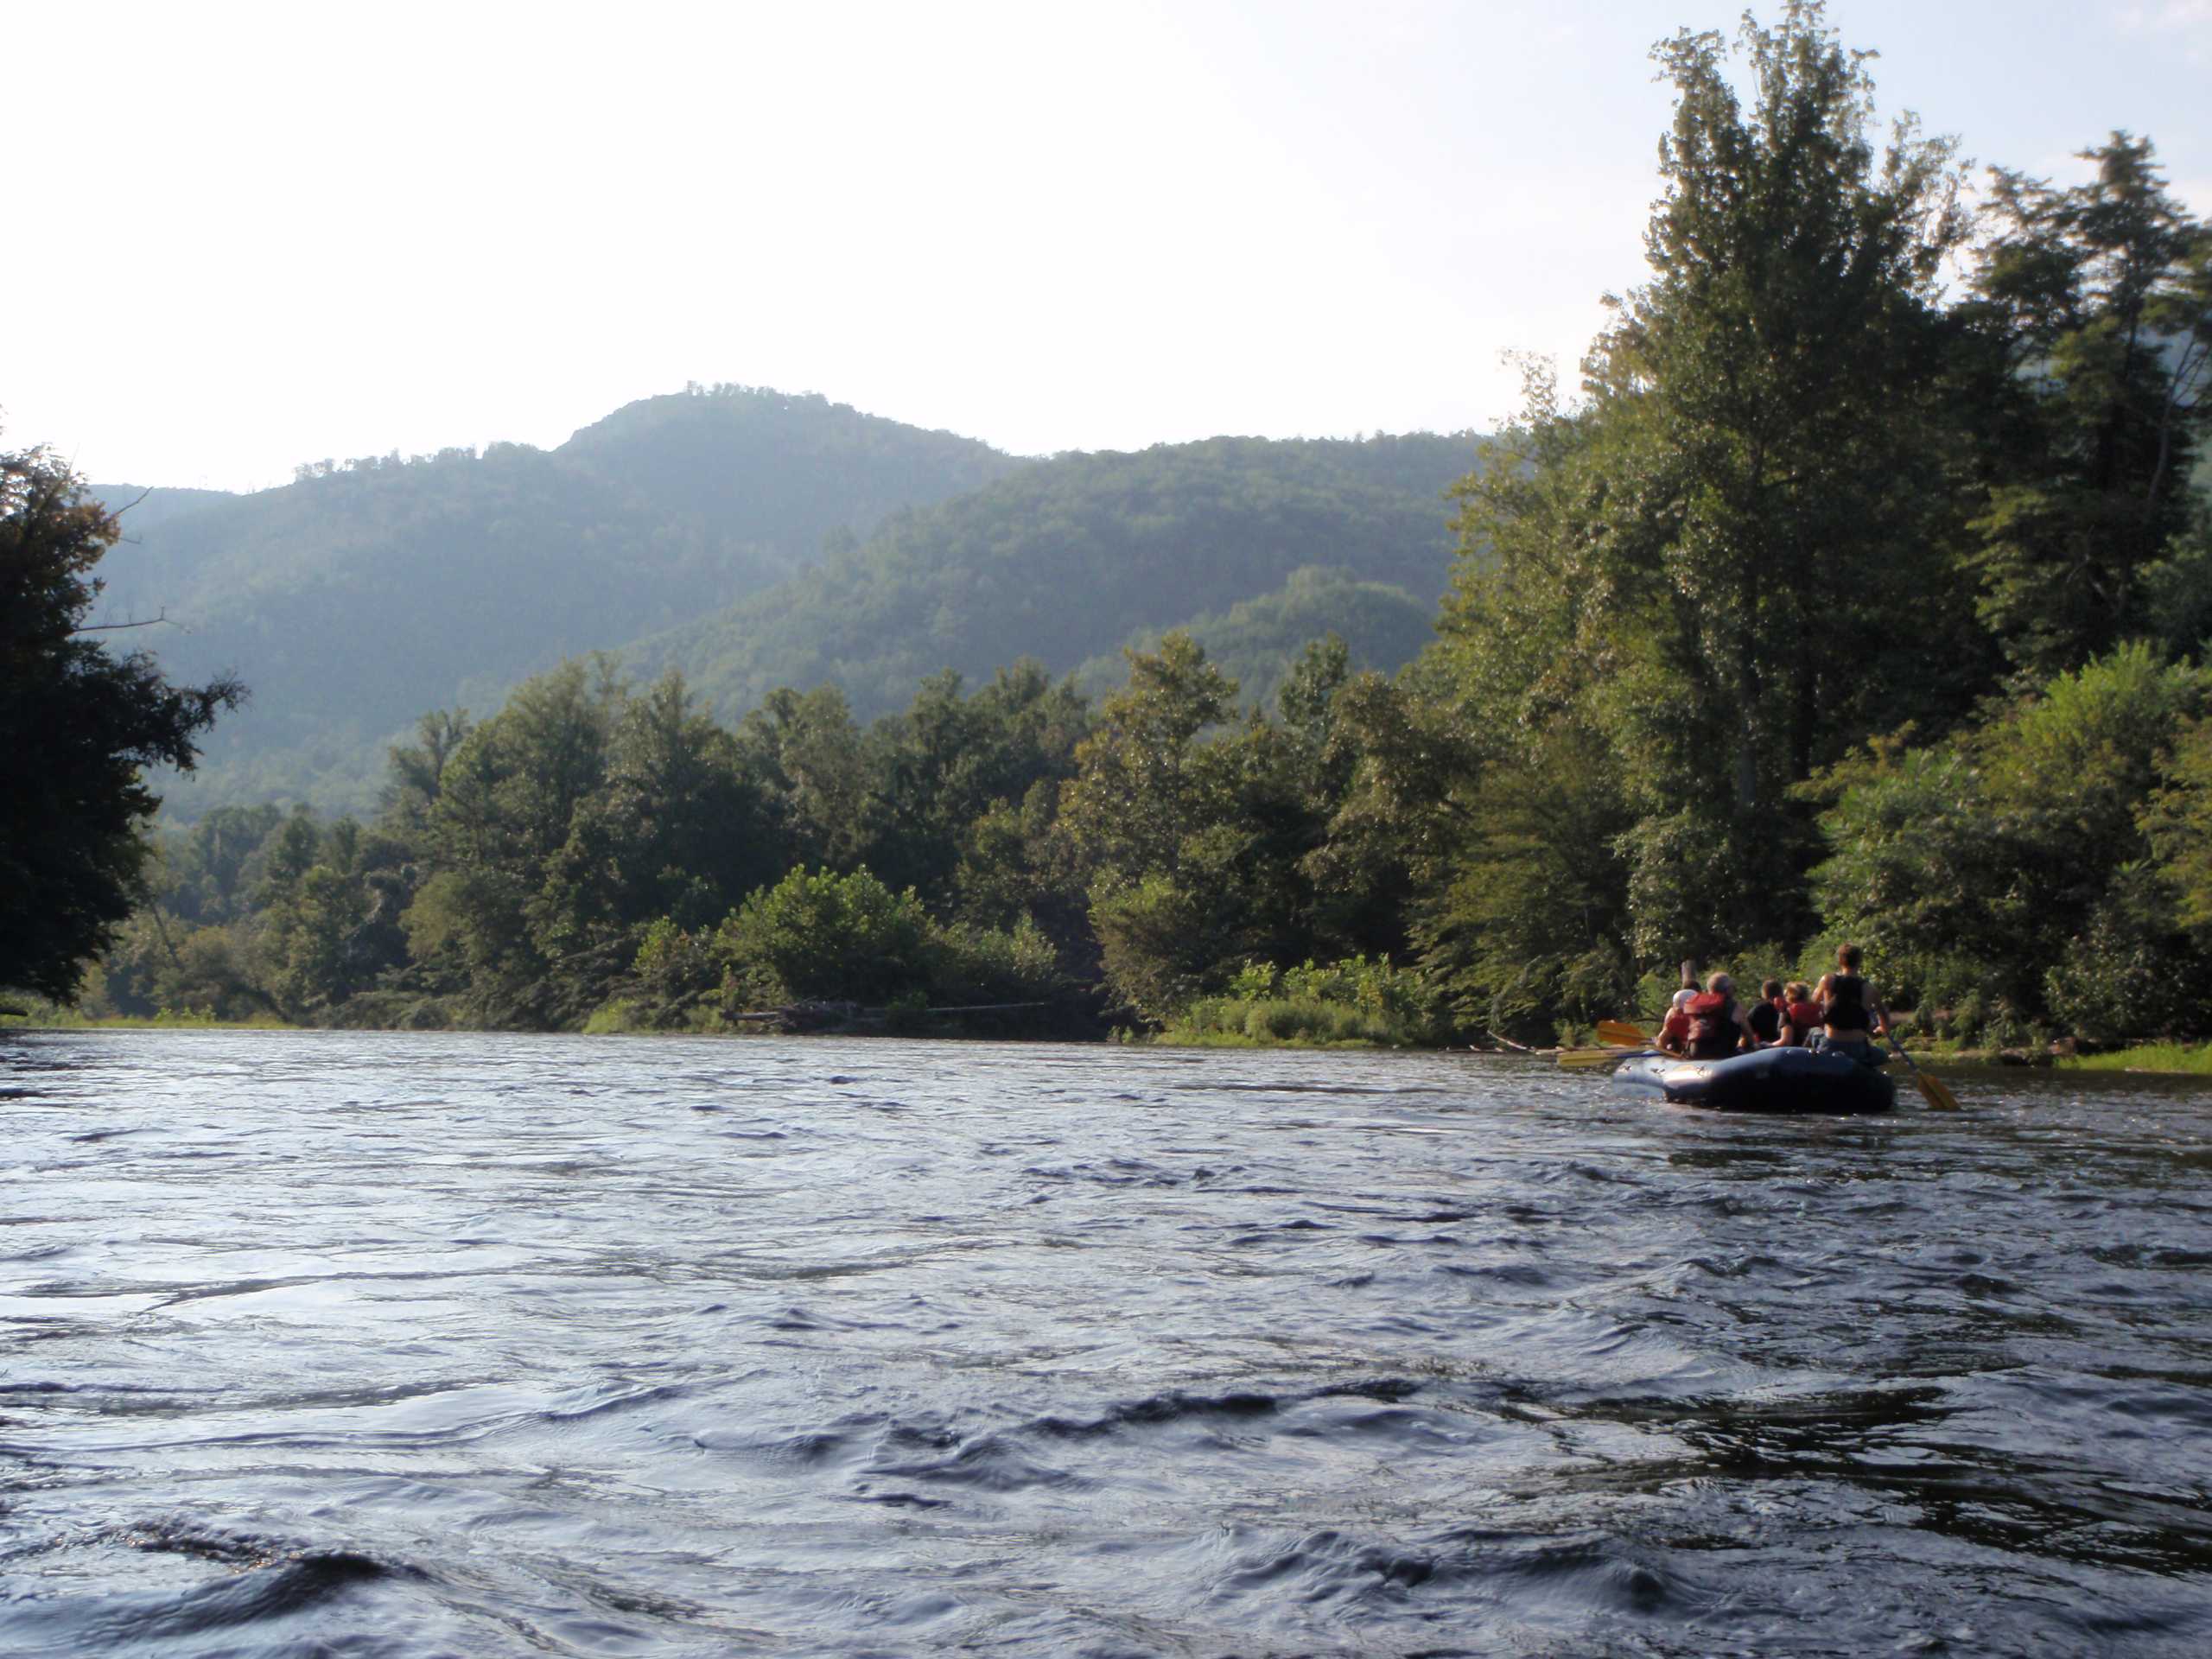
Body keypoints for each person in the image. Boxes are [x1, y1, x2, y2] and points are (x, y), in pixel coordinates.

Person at [1814, 944, 1890, 1060]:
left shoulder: (1827, 980)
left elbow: (1813, 1003)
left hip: (1830, 1045)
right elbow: (1883, 1013)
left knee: (1813, 1032)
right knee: (1883, 1056)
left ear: (1840, 960)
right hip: (1857, 1048)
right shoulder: (1870, 988)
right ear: (1859, 962)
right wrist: (1883, 1029)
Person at [1684, 972, 1758, 1060]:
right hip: (1722, 1056)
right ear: (1728, 989)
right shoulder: (1735, 1006)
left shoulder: (1699, 1006)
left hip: (1696, 1055)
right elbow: (1749, 1036)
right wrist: (1756, 1047)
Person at [1779, 982, 1823, 1046]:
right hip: (1817, 1048)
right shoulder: (1819, 1009)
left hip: (1796, 1051)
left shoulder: (1788, 1011)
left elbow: (1785, 1041)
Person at [1656, 988, 1696, 1056]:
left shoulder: (1676, 1019)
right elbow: (1661, 1042)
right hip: (1687, 1053)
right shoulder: (1676, 1019)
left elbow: (1661, 1043)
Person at [1745, 977, 1784, 1047]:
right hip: (1785, 1048)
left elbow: (1746, 1035)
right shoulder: (1785, 1009)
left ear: (1764, 993)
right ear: (1781, 992)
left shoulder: (1756, 1011)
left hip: (1763, 1050)